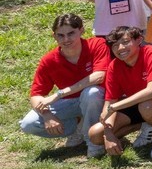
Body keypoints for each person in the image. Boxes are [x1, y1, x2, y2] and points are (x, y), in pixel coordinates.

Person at [20, 14, 109, 156]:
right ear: (54, 36)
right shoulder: (49, 60)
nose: (66, 40)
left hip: (99, 100)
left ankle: (94, 143)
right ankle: (78, 129)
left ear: (81, 30)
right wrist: (47, 114)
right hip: (71, 102)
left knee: (91, 93)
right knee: (28, 124)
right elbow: (36, 94)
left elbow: (99, 76)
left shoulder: (97, 44)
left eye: (71, 33)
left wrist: (59, 93)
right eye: (60, 35)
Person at [89, 26, 152, 159]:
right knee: (95, 134)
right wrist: (108, 133)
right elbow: (110, 102)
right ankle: (145, 125)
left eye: (125, 42)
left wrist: (115, 107)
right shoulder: (114, 65)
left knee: (146, 106)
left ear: (139, 40)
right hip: (134, 104)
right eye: (115, 45)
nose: (120, 49)